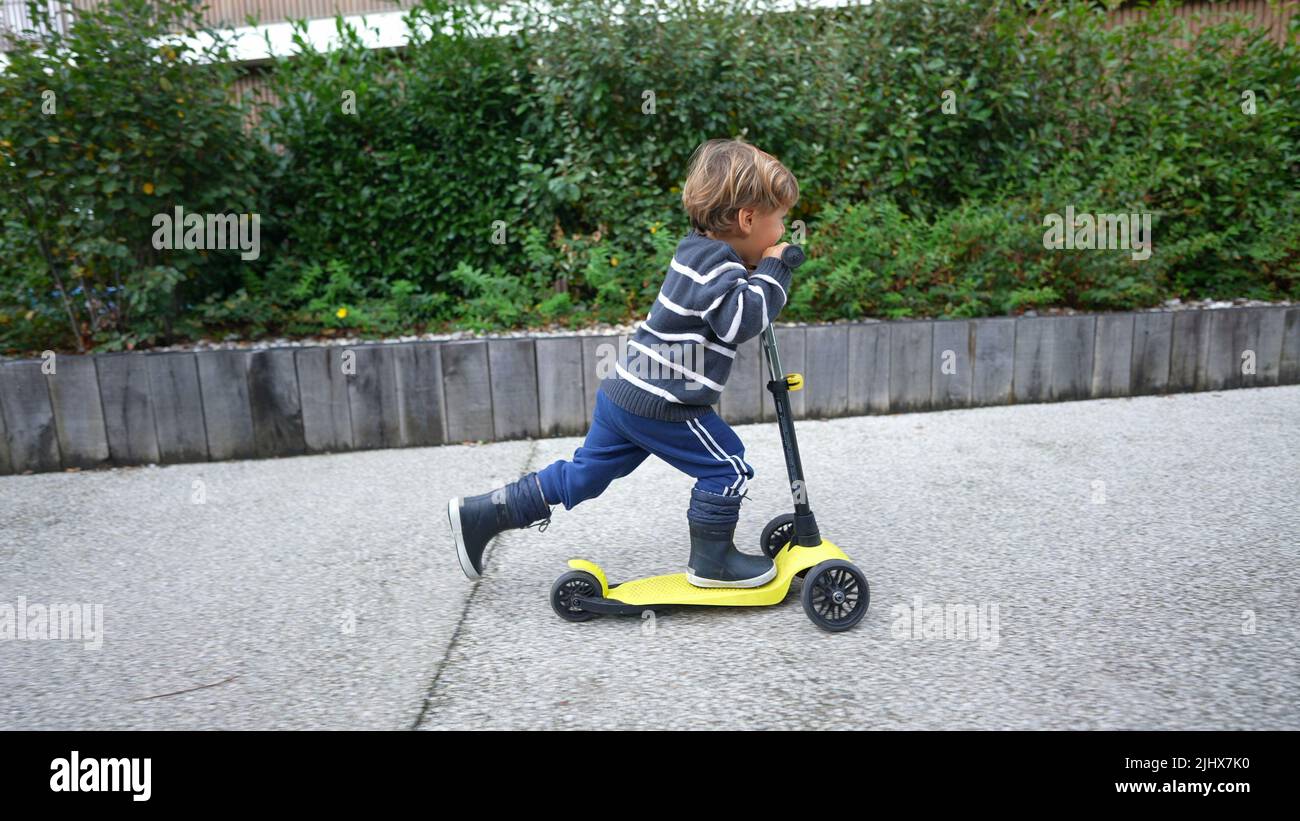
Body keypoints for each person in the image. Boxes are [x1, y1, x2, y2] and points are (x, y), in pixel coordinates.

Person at [447, 136, 799, 587]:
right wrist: (775, 268)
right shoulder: (718, 266)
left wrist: (757, 271)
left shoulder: (699, 252)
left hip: (627, 393)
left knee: (585, 475)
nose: (782, 233)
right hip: (664, 404)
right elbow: (741, 321)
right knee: (727, 464)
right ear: (748, 219)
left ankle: (484, 513)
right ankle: (712, 565)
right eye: (780, 221)